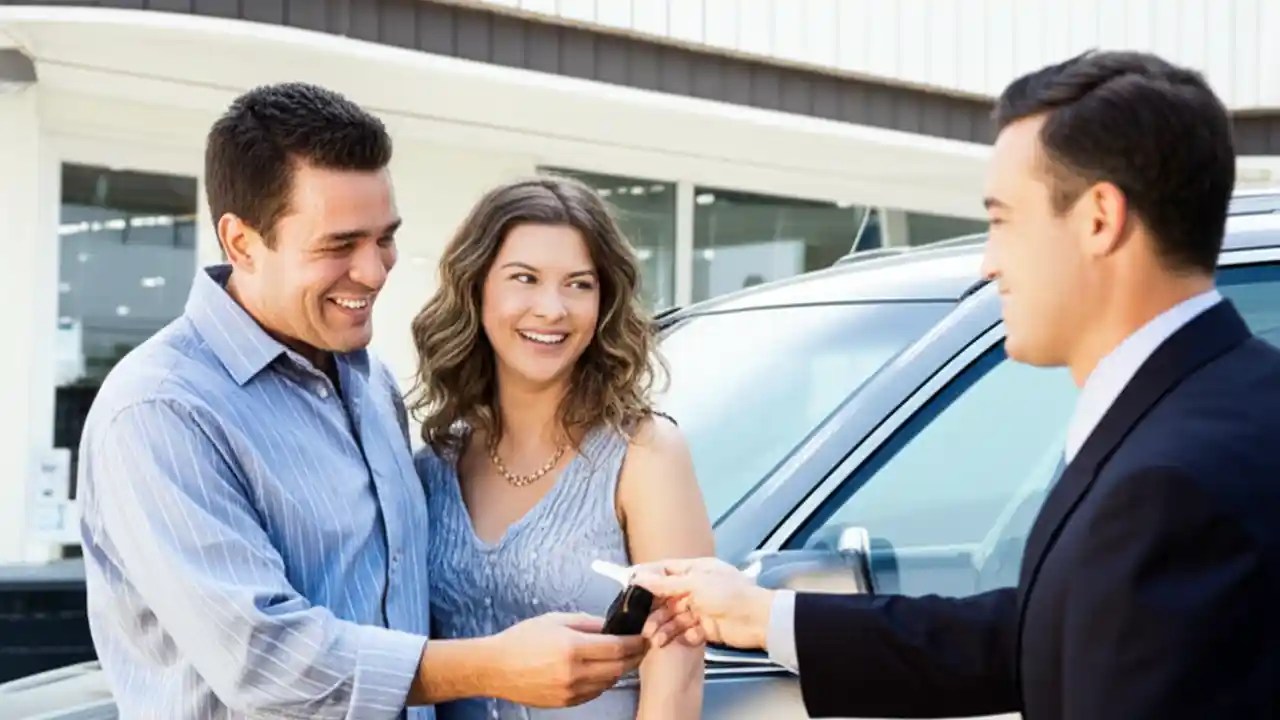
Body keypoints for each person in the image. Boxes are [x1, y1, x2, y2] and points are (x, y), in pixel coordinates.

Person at [637, 50, 1280, 720]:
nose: (988, 262)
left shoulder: (1175, 482)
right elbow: (1037, 638)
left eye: (1002, 220)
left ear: (1098, 219)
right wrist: (766, 617)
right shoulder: (1217, 411)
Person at [77, 83, 645, 719]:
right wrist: (491, 667)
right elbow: (263, 657)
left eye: (384, 238)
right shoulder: (161, 410)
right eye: (339, 245)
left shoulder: (371, 383)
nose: (374, 271)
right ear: (241, 243)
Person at [408, 175, 714, 719]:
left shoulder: (644, 454)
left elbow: (679, 675)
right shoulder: (433, 465)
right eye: (524, 278)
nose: (553, 309)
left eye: (579, 284)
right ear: (476, 287)